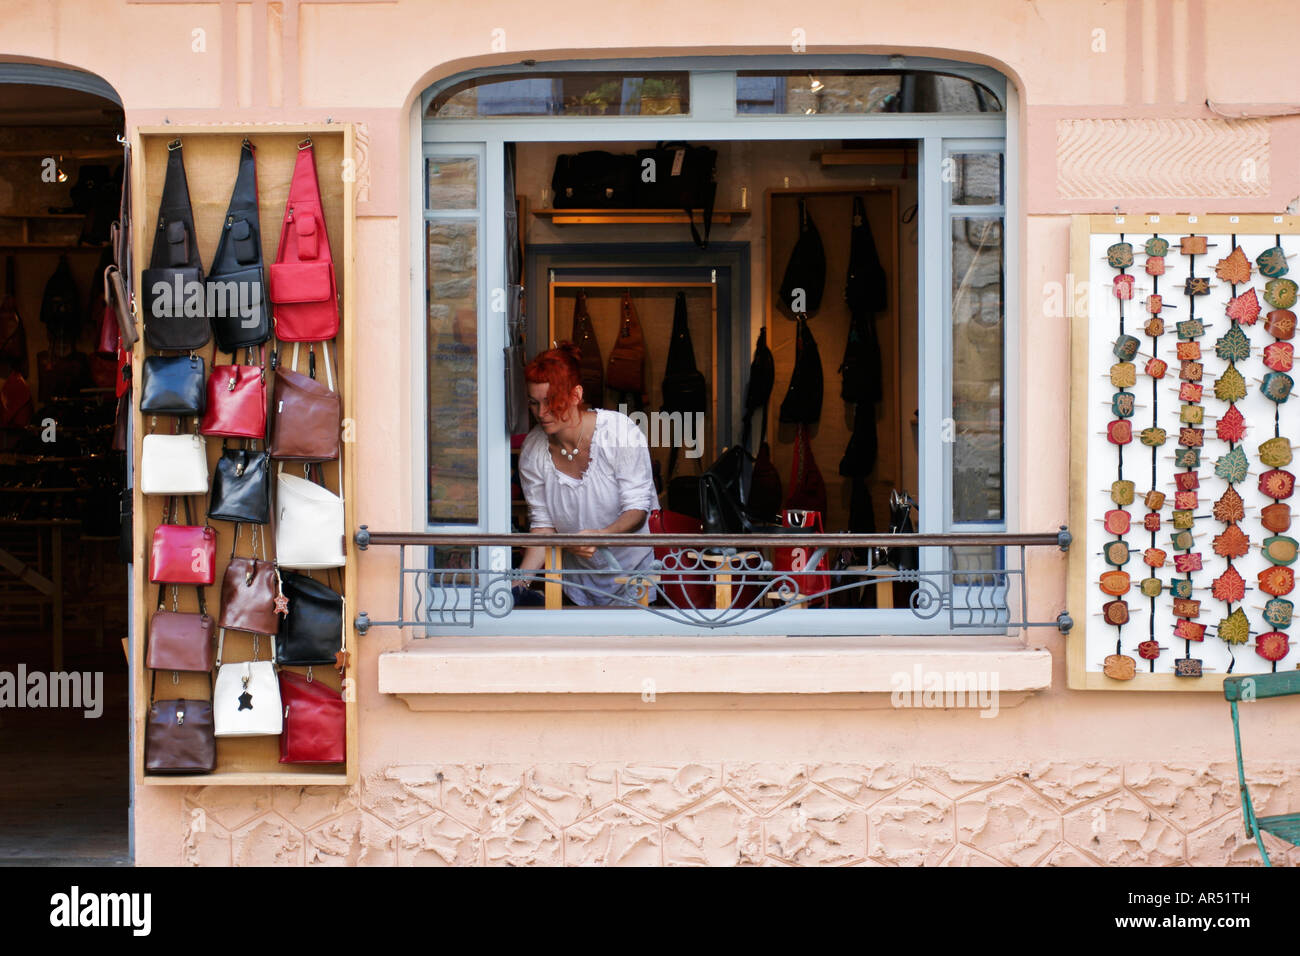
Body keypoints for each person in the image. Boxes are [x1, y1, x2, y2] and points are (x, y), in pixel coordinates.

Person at [516, 342, 658, 606]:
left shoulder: (618, 432)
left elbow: (638, 510)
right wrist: (519, 583)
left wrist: (601, 535)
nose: (541, 413)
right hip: (574, 583)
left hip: (635, 576)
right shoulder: (533, 450)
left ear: (576, 395)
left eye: (551, 402)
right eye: (534, 403)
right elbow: (542, 527)